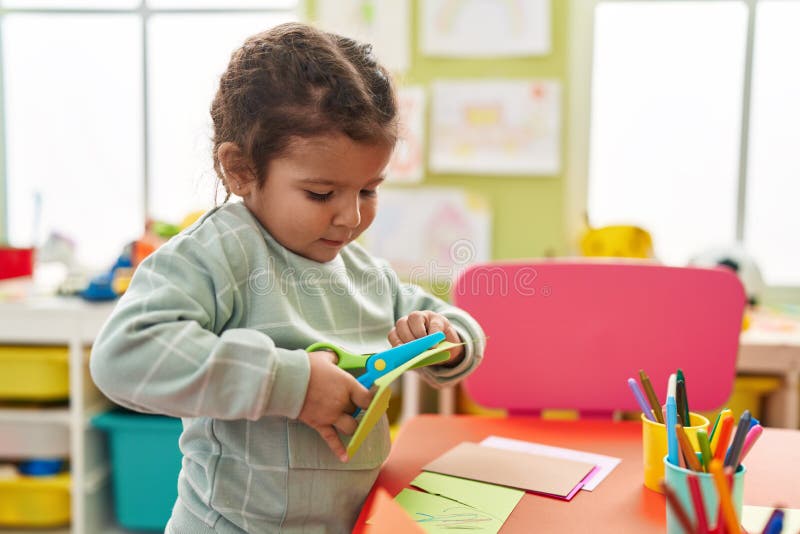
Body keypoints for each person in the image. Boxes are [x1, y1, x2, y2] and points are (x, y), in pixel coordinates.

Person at [90, 22, 485, 533]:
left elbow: (453, 323)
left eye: (367, 190)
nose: (350, 218)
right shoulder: (221, 253)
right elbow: (125, 355)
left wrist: (450, 340)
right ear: (241, 171)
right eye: (322, 195)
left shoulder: (361, 270)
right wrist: (289, 383)